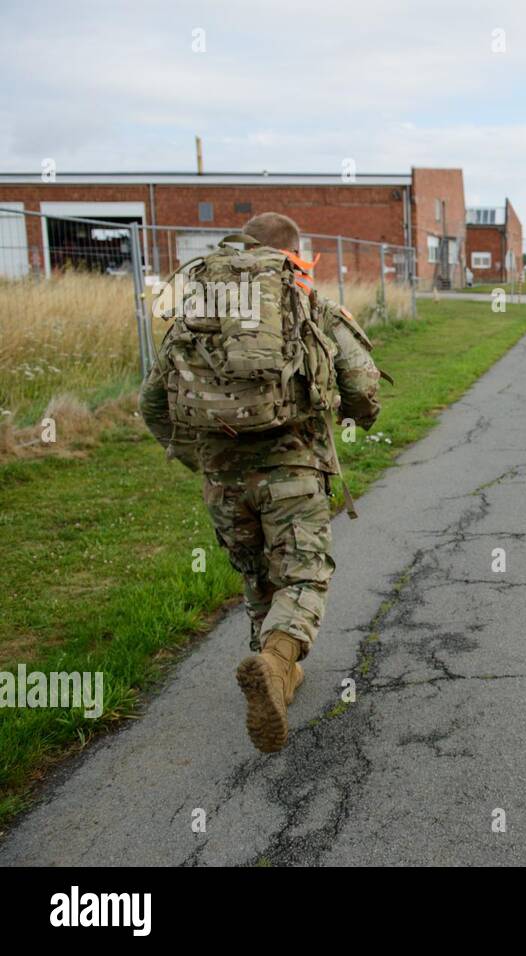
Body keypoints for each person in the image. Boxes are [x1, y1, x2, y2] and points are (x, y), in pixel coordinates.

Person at [139, 212, 382, 753]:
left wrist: (198, 460)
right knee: (303, 576)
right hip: (292, 470)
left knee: (256, 574)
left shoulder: (196, 315)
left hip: (223, 481)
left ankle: (277, 674)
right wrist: (360, 417)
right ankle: (274, 664)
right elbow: (363, 384)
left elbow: (151, 405)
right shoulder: (309, 305)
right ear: (296, 257)